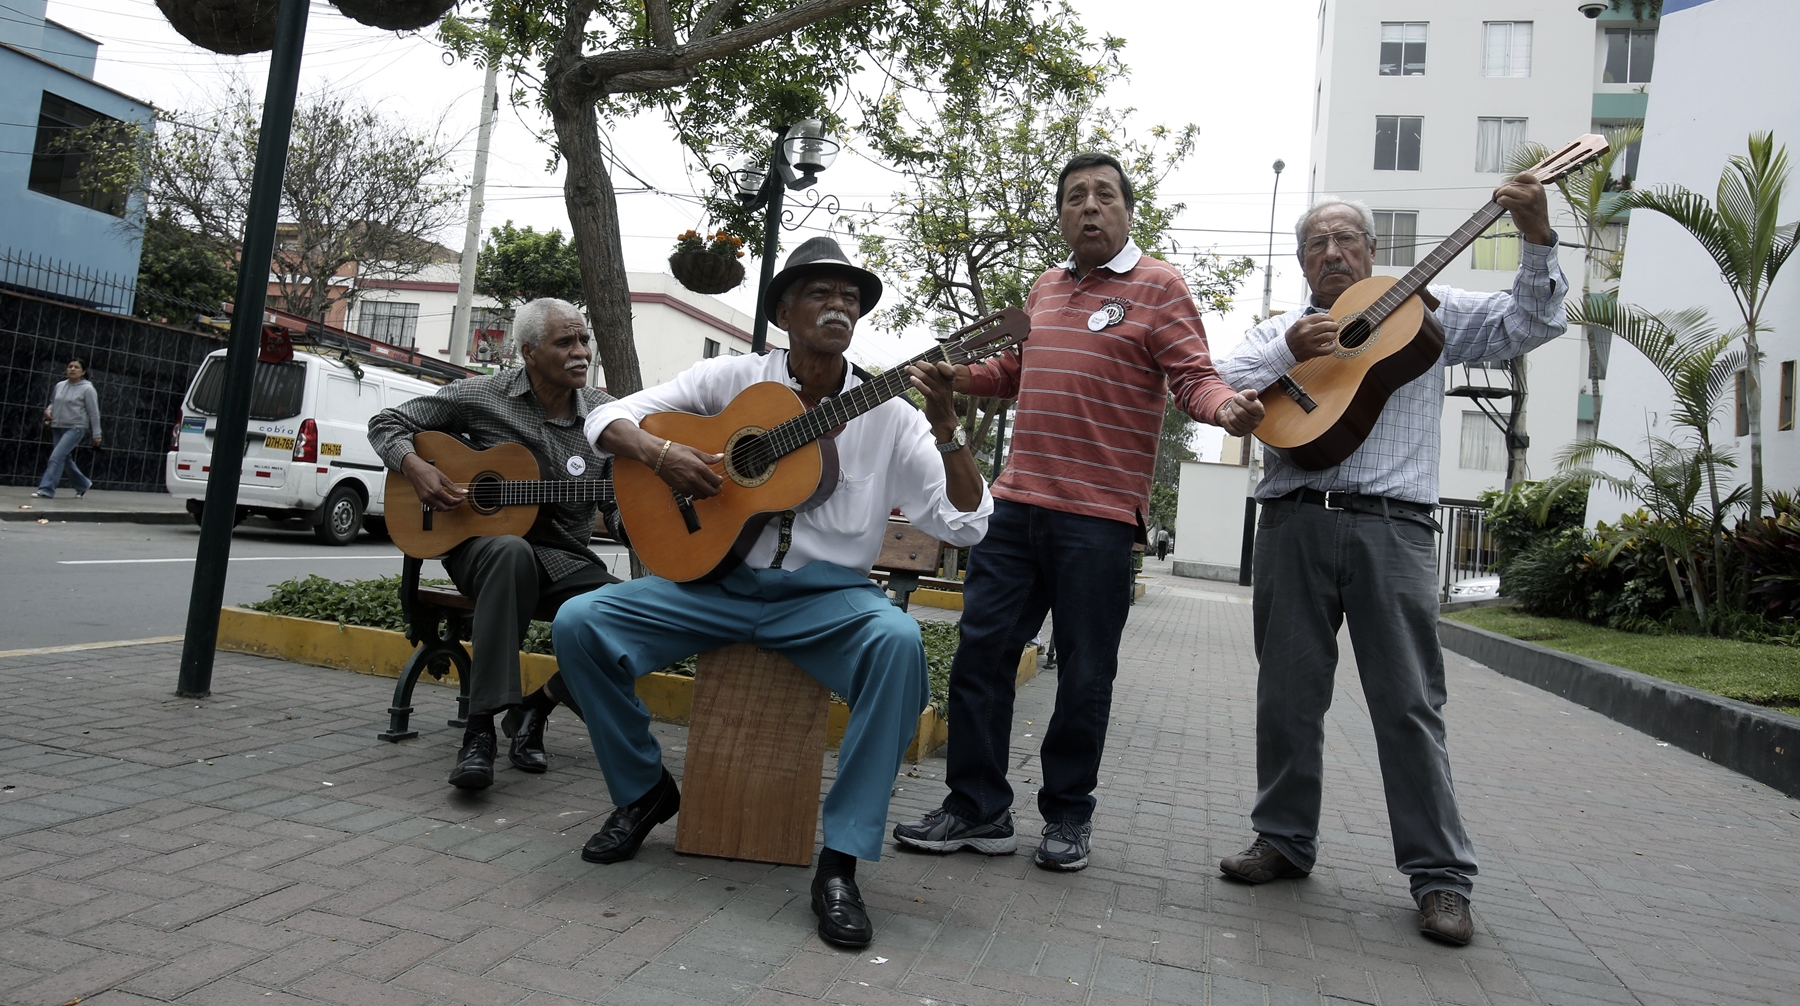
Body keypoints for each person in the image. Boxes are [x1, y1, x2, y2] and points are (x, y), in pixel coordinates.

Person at [552, 236, 990, 949]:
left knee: (899, 643)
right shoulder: (731, 380)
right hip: (714, 585)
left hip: (827, 603)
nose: (839, 306)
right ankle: (643, 791)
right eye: (821, 293)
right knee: (580, 622)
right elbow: (605, 416)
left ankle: (841, 861)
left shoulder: (892, 412)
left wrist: (947, 431)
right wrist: (663, 453)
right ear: (784, 310)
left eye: (851, 298)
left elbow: (966, 524)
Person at [1212, 180, 1569, 947]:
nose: (1333, 252)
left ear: (1375, 253)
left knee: (1408, 707)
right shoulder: (1283, 328)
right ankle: (1283, 839)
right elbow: (1214, 378)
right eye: (1318, 243)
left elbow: (1531, 320)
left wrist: (1537, 239)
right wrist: (1288, 349)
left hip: (1395, 527)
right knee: (1285, 697)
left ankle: (1441, 878)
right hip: (1293, 523)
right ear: (1303, 261)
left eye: (1347, 240)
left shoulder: (1426, 311)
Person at [893, 152, 1265, 872]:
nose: (1087, 207)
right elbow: (1014, 372)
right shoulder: (1046, 286)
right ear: (1061, 215)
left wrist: (1229, 411)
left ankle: (1067, 816)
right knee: (981, 655)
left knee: (1087, 673)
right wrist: (956, 374)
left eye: (1102, 195)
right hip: (1016, 506)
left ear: (1127, 209)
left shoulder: (1159, 287)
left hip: (1098, 519)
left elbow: (1195, 378)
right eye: (1073, 198)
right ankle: (977, 809)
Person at [368, 298, 621, 791]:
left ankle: (534, 707)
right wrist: (416, 468)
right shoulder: (479, 396)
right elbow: (386, 424)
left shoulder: (604, 417)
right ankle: (479, 732)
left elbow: (615, 505)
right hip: (482, 552)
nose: (581, 353)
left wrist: (642, 521)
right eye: (565, 342)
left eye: (584, 340)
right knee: (509, 550)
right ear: (528, 352)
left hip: (563, 558)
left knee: (630, 614)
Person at [33, 359, 103, 498]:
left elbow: (94, 413)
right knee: (63, 459)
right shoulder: (60, 385)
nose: (72, 369)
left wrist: (97, 434)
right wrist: (48, 410)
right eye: (70, 366)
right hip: (58, 426)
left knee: (56, 457)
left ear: (83, 372)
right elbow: (53, 402)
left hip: (75, 428)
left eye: (76, 367)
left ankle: (46, 490)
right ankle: (82, 484)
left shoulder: (88, 389)